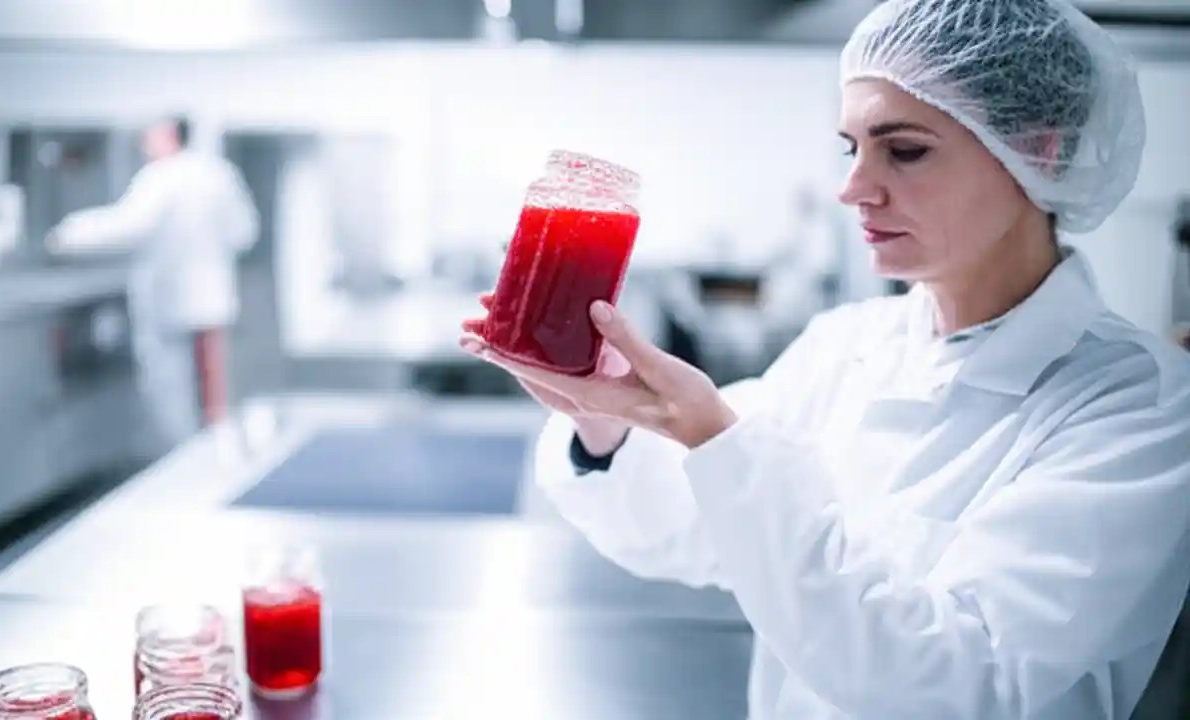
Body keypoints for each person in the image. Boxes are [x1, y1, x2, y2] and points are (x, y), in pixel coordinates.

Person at [460, 0, 1190, 717]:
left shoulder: (1139, 407)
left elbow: (963, 685)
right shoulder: (847, 349)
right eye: (853, 148)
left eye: (905, 150)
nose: (853, 188)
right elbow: (686, 529)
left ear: (1039, 151)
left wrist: (714, 433)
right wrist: (605, 425)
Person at [49, 117, 259, 449]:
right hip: (210, 298)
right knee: (213, 382)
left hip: (169, 298)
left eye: (151, 135)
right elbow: (244, 232)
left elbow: (129, 225)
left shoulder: (160, 176)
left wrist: (68, 234)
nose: (145, 143)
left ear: (170, 134)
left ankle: (183, 455)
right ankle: (216, 450)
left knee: (169, 386)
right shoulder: (218, 173)